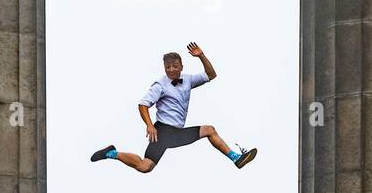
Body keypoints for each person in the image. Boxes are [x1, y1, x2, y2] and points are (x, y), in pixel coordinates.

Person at [90, 42, 257, 173]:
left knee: (145, 166)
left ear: (181, 67)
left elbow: (211, 75)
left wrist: (201, 56)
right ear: (164, 68)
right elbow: (142, 105)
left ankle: (111, 153)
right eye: (168, 67)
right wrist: (149, 125)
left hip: (176, 133)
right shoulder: (160, 85)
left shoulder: (188, 80)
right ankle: (112, 153)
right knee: (145, 166)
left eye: (175, 66)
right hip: (163, 132)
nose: (171, 70)